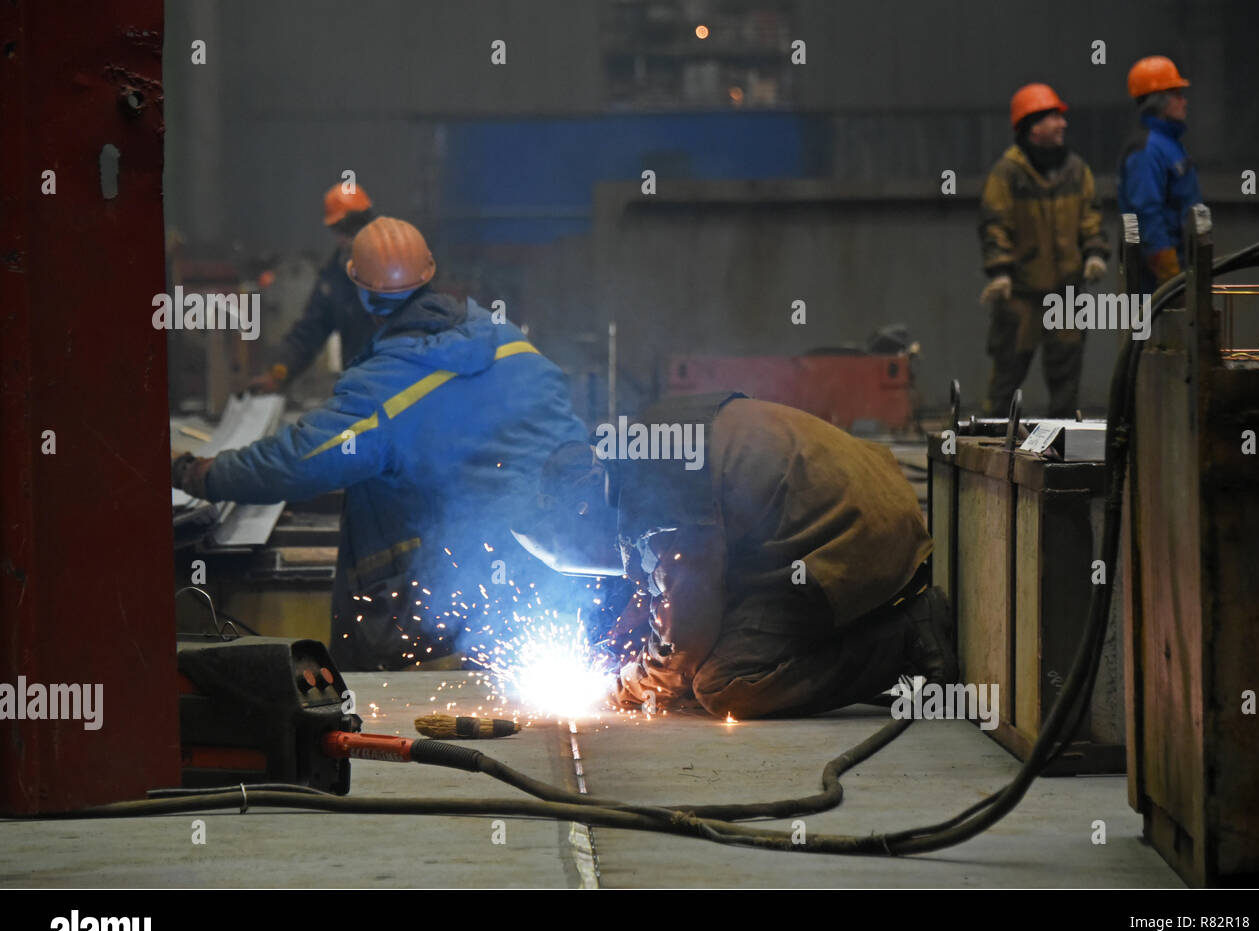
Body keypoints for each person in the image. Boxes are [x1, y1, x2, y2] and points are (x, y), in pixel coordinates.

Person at [174, 218, 589, 670]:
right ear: (431, 273)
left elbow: (299, 461)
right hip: (548, 584)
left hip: (436, 608)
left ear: (363, 293)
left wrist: (198, 472)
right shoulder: (513, 345)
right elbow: (570, 451)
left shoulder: (382, 387)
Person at [512, 393, 956, 720]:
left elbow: (685, 641)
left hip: (853, 537)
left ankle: (905, 638)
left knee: (722, 684)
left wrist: (623, 687)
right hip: (862, 508)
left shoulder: (660, 494)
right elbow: (670, 575)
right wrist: (625, 636)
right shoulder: (643, 451)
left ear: (584, 512)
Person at [978, 83, 1109, 417]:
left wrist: (1095, 252)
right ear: (1032, 126)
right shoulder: (1008, 174)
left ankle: (1059, 452)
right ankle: (993, 448)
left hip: (1065, 293)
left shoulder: (1076, 171)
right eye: (1054, 117)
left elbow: (1090, 215)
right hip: (1020, 295)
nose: (1063, 124)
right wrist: (1001, 272)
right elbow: (996, 223)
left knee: (1066, 382)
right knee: (1006, 379)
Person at [247, 182, 378, 395]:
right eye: (342, 230)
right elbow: (310, 331)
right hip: (362, 388)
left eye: (354, 226)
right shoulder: (335, 278)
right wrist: (279, 372)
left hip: (398, 385)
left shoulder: (396, 268)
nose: (349, 237)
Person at [1117, 56, 1201, 292]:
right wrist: (1169, 274)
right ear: (1159, 101)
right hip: (1155, 279)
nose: (1184, 102)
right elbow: (1146, 212)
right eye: (1177, 94)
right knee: (1156, 329)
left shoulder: (1167, 144)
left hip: (1181, 266)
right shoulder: (1147, 150)